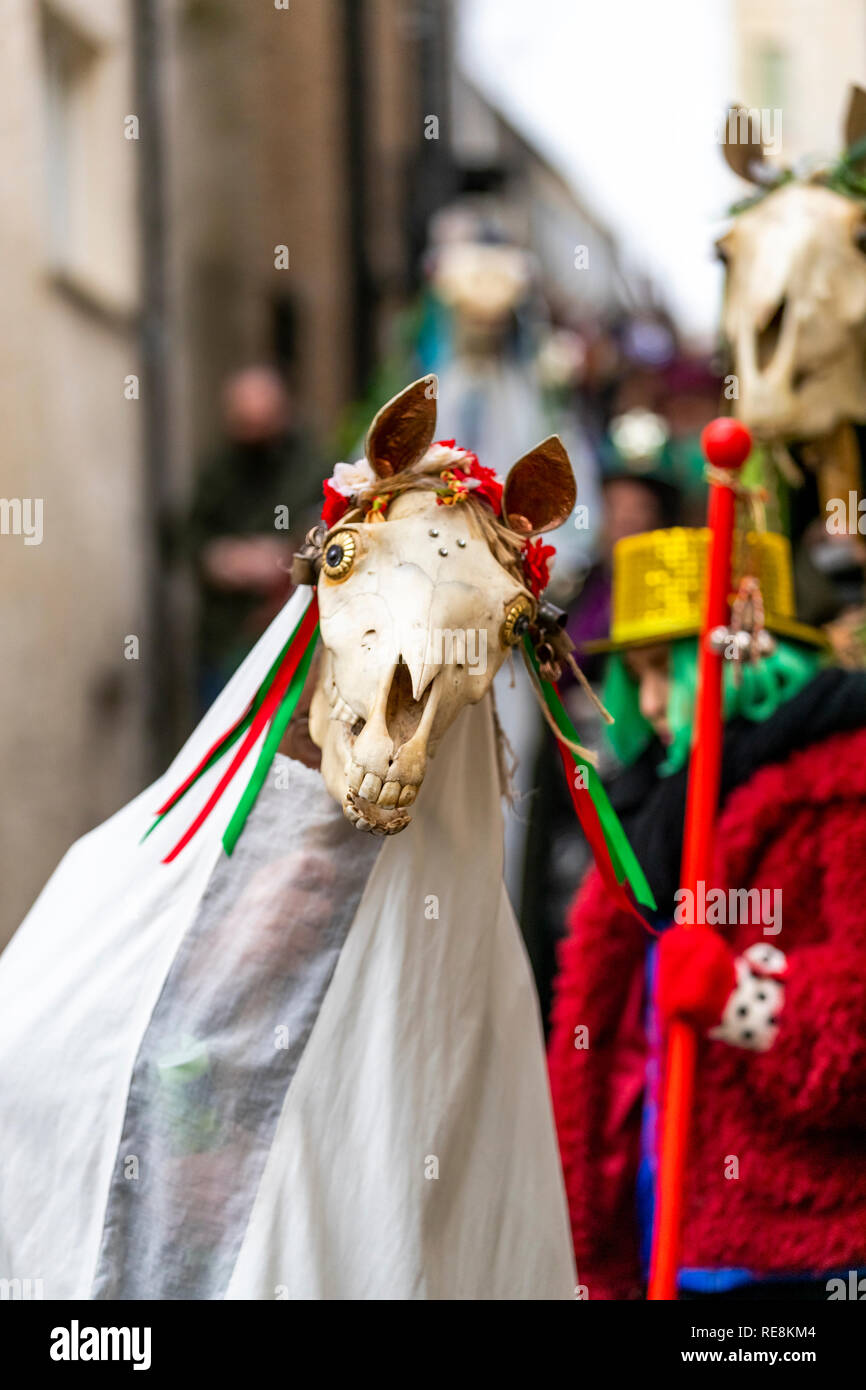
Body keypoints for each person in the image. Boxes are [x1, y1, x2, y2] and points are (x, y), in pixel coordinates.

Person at [548, 524, 866, 1299]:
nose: (652, 703)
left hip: (798, 1252)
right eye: (639, 676)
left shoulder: (839, 794)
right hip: (665, 1235)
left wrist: (741, 999)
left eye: (670, 671)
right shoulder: (654, 814)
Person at [186, 366, 322, 705]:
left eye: (262, 423)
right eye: (245, 424)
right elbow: (188, 535)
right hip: (227, 638)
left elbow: (329, 532)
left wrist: (284, 555)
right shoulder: (219, 471)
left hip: (293, 636)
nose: (254, 434)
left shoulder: (312, 468)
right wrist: (219, 558)